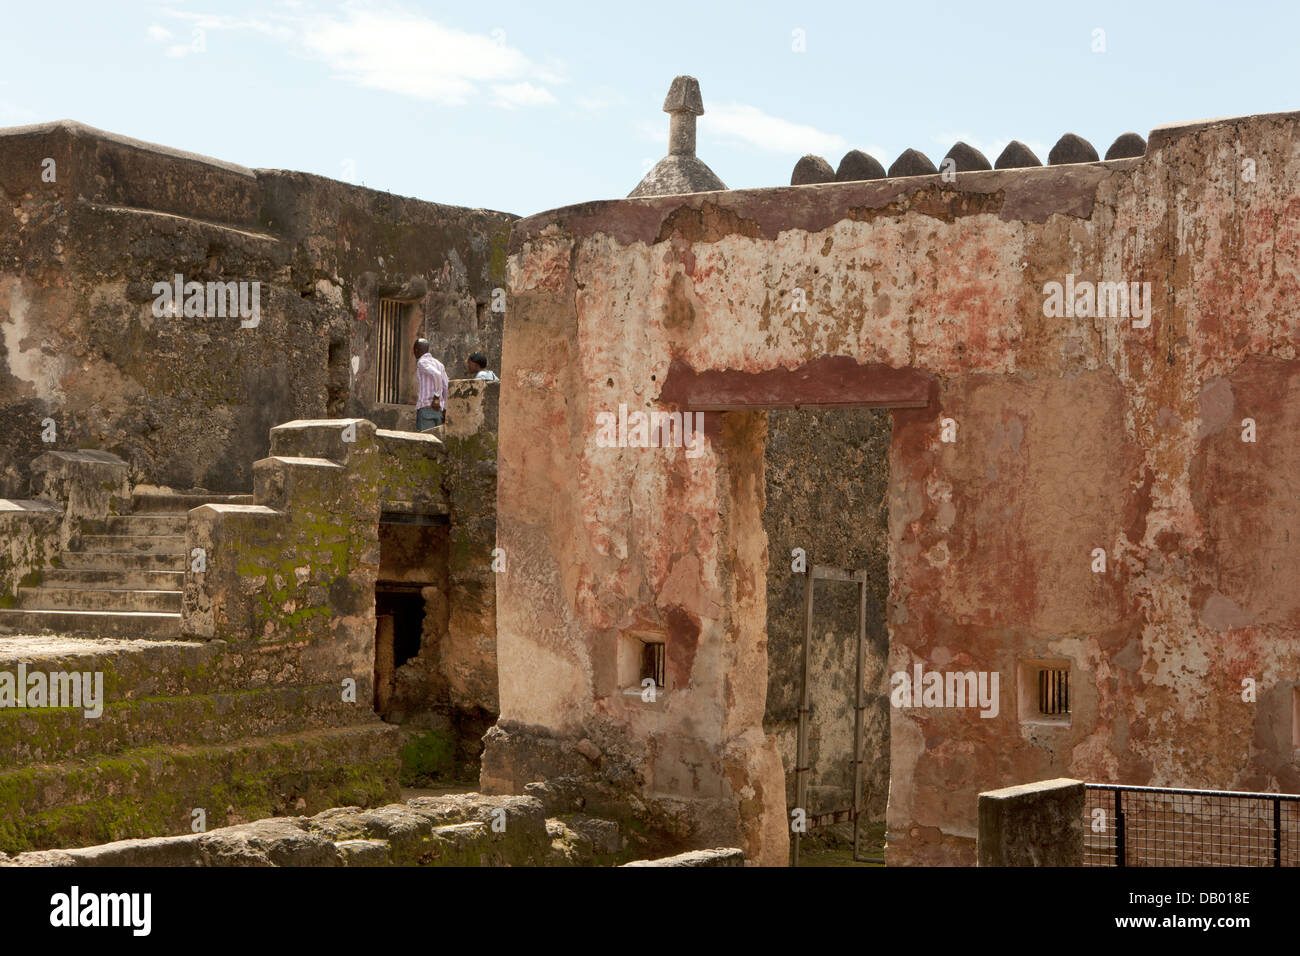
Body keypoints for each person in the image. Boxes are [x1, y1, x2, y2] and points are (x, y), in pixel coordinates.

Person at [413, 338, 448, 430]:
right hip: (438, 412)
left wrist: (436, 397)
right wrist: (444, 408)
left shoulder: (421, 362)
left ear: (416, 350)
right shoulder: (439, 364)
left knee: (425, 442)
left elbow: (436, 374)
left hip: (426, 409)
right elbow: (446, 386)